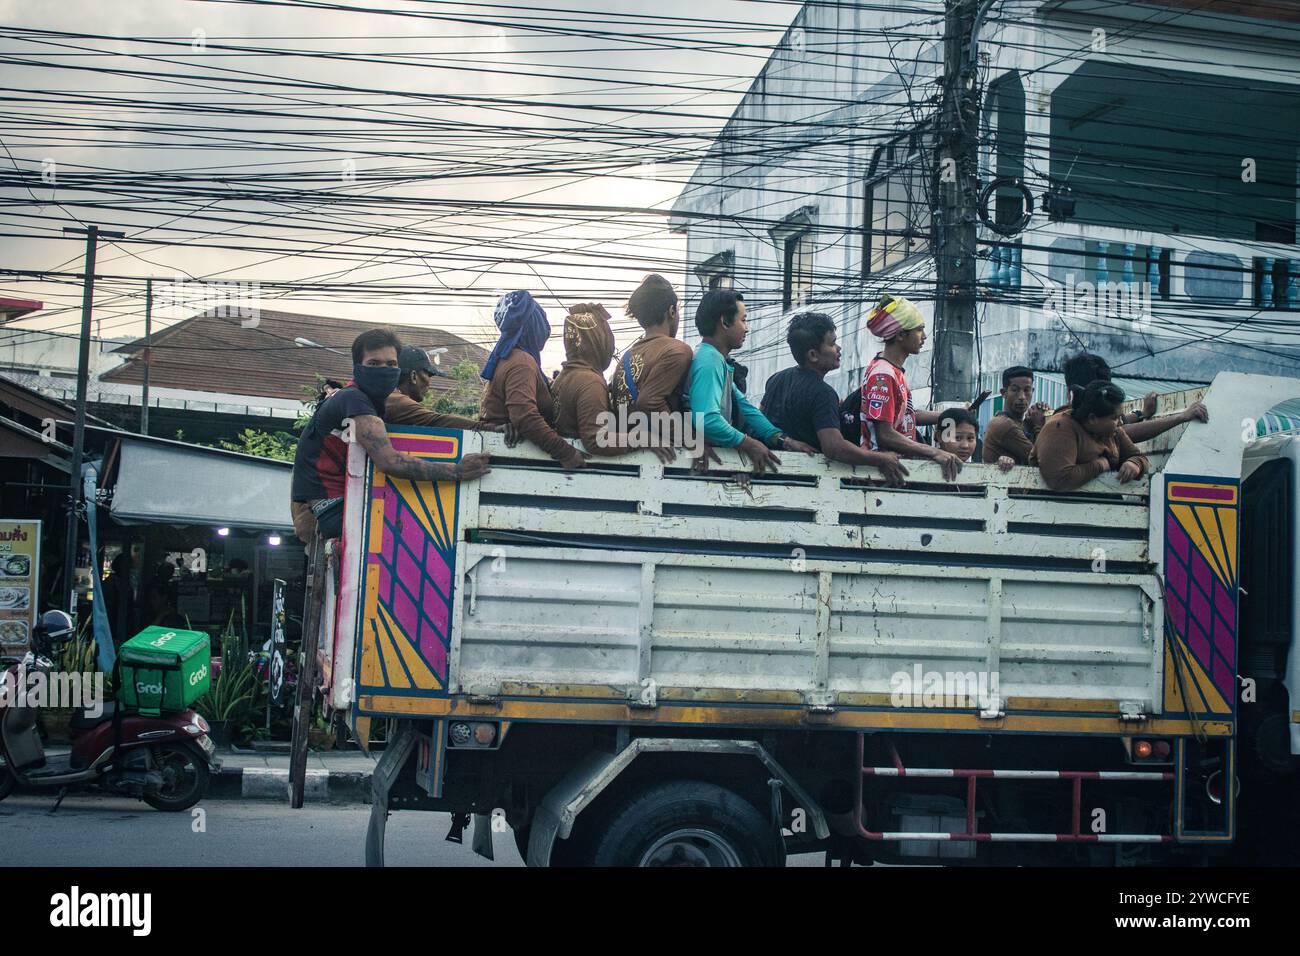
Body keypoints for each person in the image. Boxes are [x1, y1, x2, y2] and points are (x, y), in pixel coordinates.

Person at [290, 328, 492, 544]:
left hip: (331, 508)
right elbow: (390, 461)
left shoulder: (361, 400)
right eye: (374, 363)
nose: (384, 370)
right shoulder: (354, 399)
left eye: (391, 364)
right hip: (335, 509)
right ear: (357, 367)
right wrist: (457, 471)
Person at [760, 311, 908, 484]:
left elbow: (759, 421)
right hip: (804, 483)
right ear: (813, 355)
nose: (838, 348)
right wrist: (880, 458)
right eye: (832, 343)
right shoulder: (823, 393)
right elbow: (834, 447)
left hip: (767, 477)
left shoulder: (776, 379)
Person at [686, 290, 815, 475]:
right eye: (743, 320)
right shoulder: (710, 360)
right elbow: (707, 420)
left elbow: (746, 407)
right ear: (725, 322)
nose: (746, 329)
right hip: (698, 467)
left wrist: (782, 440)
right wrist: (749, 443)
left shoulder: (715, 358)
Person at [860, 294, 964, 481]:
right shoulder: (883, 375)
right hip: (883, 474)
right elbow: (885, 434)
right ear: (901, 335)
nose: (924, 336)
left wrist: (952, 414)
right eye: (919, 330)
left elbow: (907, 416)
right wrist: (934, 452)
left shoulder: (893, 370)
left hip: (897, 471)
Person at [478, 291, 586, 470]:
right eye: (541, 321)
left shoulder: (509, 357)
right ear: (533, 325)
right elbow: (525, 416)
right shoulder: (522, 362)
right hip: (513, 460)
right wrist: (565, 452)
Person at [1061, 353, 1209, 442]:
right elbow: (1124, 432)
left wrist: (1141, 414)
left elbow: (1116, 422)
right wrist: (1180, 417)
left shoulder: (1083, 413)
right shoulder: (1069, 422)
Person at [1032, 379, 1150, 491]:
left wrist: (1135, 464)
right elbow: (1059, 479)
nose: (1121, 422)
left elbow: (1139, 457)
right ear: (1092, 418)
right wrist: (1100, 465)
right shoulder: (1060, 428)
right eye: (1115, 418)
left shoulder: (1113, 432)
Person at [385, 345, 510, 440]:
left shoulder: (390, 398)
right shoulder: (398, 402)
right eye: (429, 375)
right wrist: (488, 428)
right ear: (413, 376)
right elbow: (437, 421)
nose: (429, 383)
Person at [609, 274, 694, 416]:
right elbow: (649, 402)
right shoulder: (677, 351)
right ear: (672, 311)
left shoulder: (625, 358)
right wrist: (680, 430)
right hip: (659, 431)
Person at [981, 366, 1050, 467]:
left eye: (1027, 390)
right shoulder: (1004, 425)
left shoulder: (1018, 424)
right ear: (1003, 393)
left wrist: (1035, 422)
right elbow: (1041, 460)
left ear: (1032, 391)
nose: (1022, 397)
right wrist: (1038, 426)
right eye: (1015, 390)